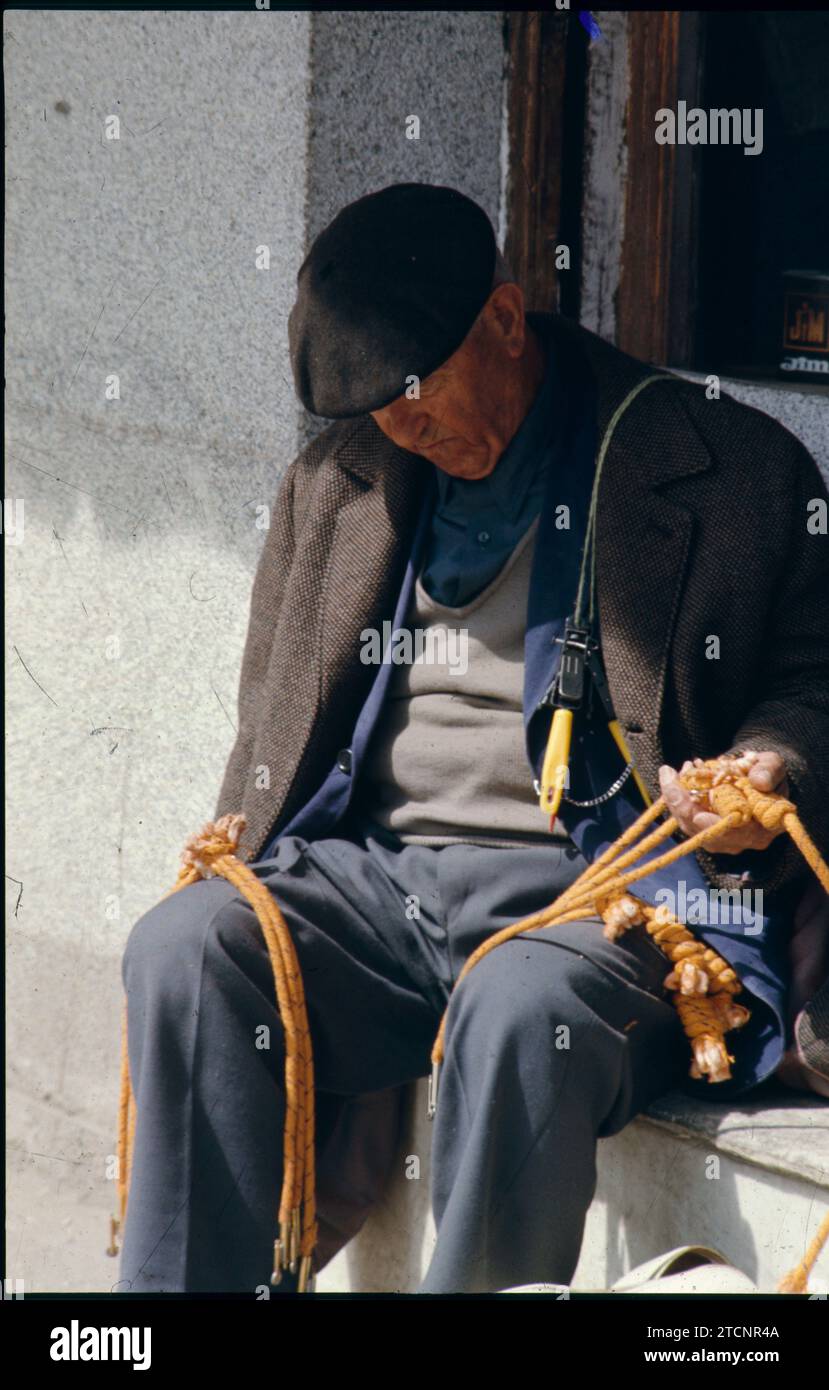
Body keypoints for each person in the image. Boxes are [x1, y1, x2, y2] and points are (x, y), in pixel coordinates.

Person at [118, 183, 829, 1295]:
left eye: (418, 405)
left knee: (520, 1010)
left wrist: (767, 762)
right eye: (381, 422)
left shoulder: (727, 467)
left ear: (504, 320)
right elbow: (274, 718)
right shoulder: (335, 481)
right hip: (372, 883)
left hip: (607, 894)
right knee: (187, 948)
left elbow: (810, 676)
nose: (405, 435)